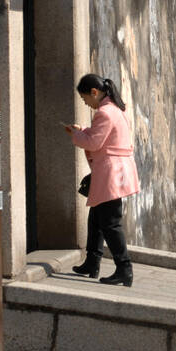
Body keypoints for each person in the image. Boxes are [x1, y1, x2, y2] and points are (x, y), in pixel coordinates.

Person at [65, 73, 141, 286]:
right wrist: (83, 132)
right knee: (97, 218)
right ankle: (92, 262)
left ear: (94, 92)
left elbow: (94, 143)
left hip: (110, 172)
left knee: (110, 223)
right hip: (115, 170)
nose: (85, 103)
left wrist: (75, 135)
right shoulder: (115, 110)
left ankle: (124, 268)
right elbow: (102, 137)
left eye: (85, 98)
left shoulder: (105, 113)